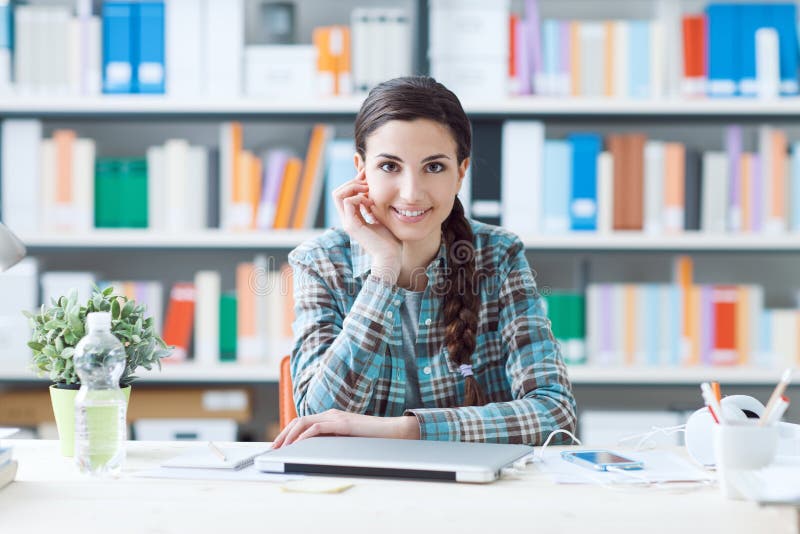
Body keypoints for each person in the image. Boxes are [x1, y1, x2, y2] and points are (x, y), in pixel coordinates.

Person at [272, 76, 576, 448]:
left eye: (434, 167)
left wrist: (405, 430)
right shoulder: (320, 263)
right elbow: (318, 416)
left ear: (460, 172)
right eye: (389, 167)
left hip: (480, 488)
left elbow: (555, 413)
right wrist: (384, 271)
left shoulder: (498, 255)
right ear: (360, 169)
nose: (412, 193)